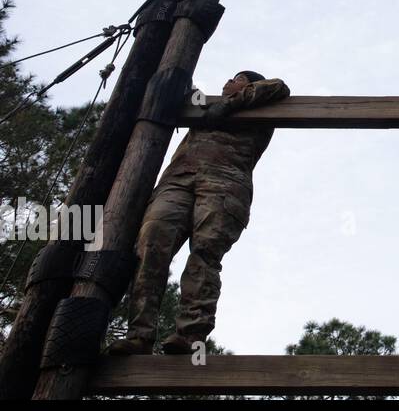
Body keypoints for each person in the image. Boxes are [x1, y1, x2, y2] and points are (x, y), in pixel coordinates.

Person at [107, 70, 290, 355]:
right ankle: (139, 336)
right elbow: (181, 90)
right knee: (150, 244)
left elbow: (279, 86)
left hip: (225, 184)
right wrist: (177, 79)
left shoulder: (262, 104)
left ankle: (190, 335)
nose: (228, 81)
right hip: (178, 180)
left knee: (204, 254)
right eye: (228, 77)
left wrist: (227, 106)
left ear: (250, 85)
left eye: (238, 78)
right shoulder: (202, 104)